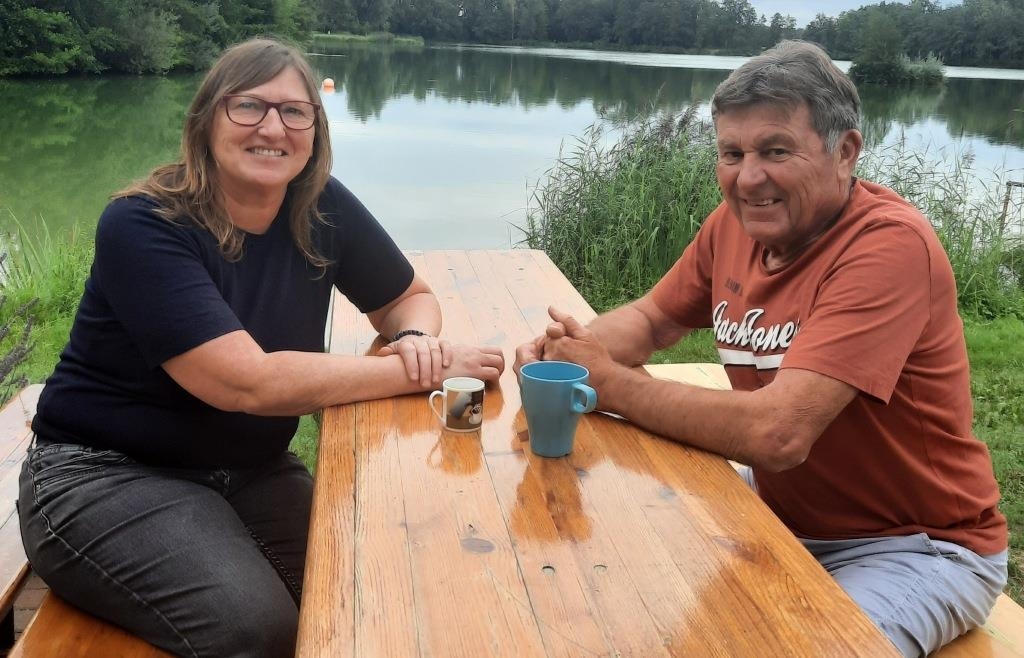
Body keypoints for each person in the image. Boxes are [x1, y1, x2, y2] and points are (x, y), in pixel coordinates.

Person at [515, 40, 1007, 657]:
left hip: (916, 544)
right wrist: (566, 355)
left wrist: (606, 384)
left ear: (845, 151)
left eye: (776, 151)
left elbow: (778, 435)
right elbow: (651, 319)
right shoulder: (736, 225)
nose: (749, 178)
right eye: (732, 153)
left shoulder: (887, 246)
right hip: (788, 512)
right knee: (612, 559)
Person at [18, 38, 504, 658]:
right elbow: (245, 383)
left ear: (314, 130)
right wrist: (409, 374)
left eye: (294, 111)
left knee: (378, 582)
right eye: (248, 106)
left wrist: (414, 341)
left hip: (250, 470)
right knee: (254, 626)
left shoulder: (320, 205)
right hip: (104, 473)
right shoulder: (144, 224)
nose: (273, 127)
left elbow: (409, 296)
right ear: (205, 120)